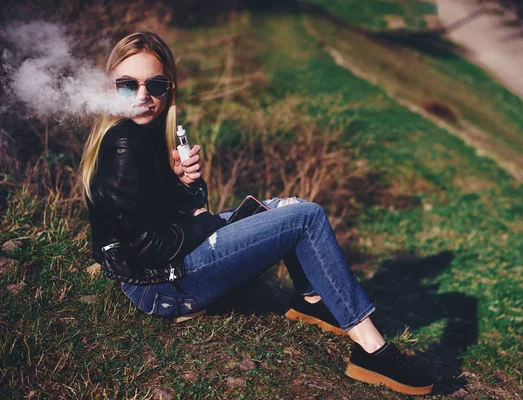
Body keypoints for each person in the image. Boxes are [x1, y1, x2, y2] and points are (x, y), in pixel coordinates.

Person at [80, 30, 433, 396]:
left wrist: (184, 183)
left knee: (286, 208)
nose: (143, 97)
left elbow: (156, 215)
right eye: (127, 85)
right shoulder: (127, 141)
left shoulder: (147, 132)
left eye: (155, 84)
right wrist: (204, 222)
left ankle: (313, 301)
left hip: (165, 271)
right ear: (110, 87)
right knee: (306, 217)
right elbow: (147, 247)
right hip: (163, 287)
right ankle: (372, 350)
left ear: (169, 87)